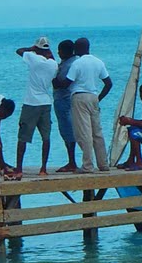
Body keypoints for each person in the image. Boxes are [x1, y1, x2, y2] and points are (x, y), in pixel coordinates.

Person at [59, 37, 112, 172]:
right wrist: (99, 98)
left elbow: (67, 83)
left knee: (84, 133)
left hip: (79, 97)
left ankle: (87, 165)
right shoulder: (98, 62)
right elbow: (108, 84)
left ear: (77, 49)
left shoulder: (77, 64)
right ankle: (103, 163)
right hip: (93, 96)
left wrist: (55, 80)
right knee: (97, 132)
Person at [13, 37, 57, 176]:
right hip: (46, 102)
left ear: (37, 48)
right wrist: (49, 54)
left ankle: (19, 169)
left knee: (23, 137)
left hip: (31, 103)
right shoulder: (53, 64)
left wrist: (32, 48)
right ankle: (43, 168)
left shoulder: (33, 58)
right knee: (46, 137)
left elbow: (18, 51)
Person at [50, 39, 79, 172]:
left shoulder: (68, 65)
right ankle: (72, 161)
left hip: (64, 100)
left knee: (67, 131)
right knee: (70, 130)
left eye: (60, 50)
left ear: (66, 51)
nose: (58, 53)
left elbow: (60, 83)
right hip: (69, 100)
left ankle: (72, 162)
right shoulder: (72, 62)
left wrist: (53, 79)